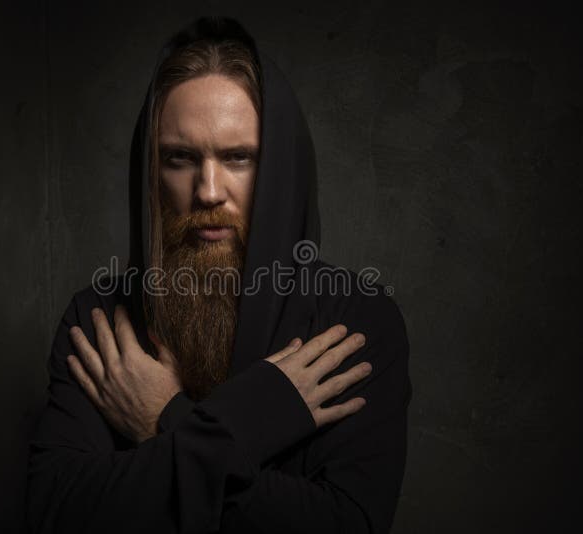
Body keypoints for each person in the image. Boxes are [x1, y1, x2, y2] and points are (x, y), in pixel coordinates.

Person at [26, 16, 412, 534]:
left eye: (237, 158)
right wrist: (252, 420)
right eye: (180, 158)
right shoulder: (98, 320)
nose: (208, 191)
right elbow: (57, 514)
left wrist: (168, 419)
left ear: (279, 169)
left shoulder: (354, 321)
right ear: (152, 170)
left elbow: (345, 525)